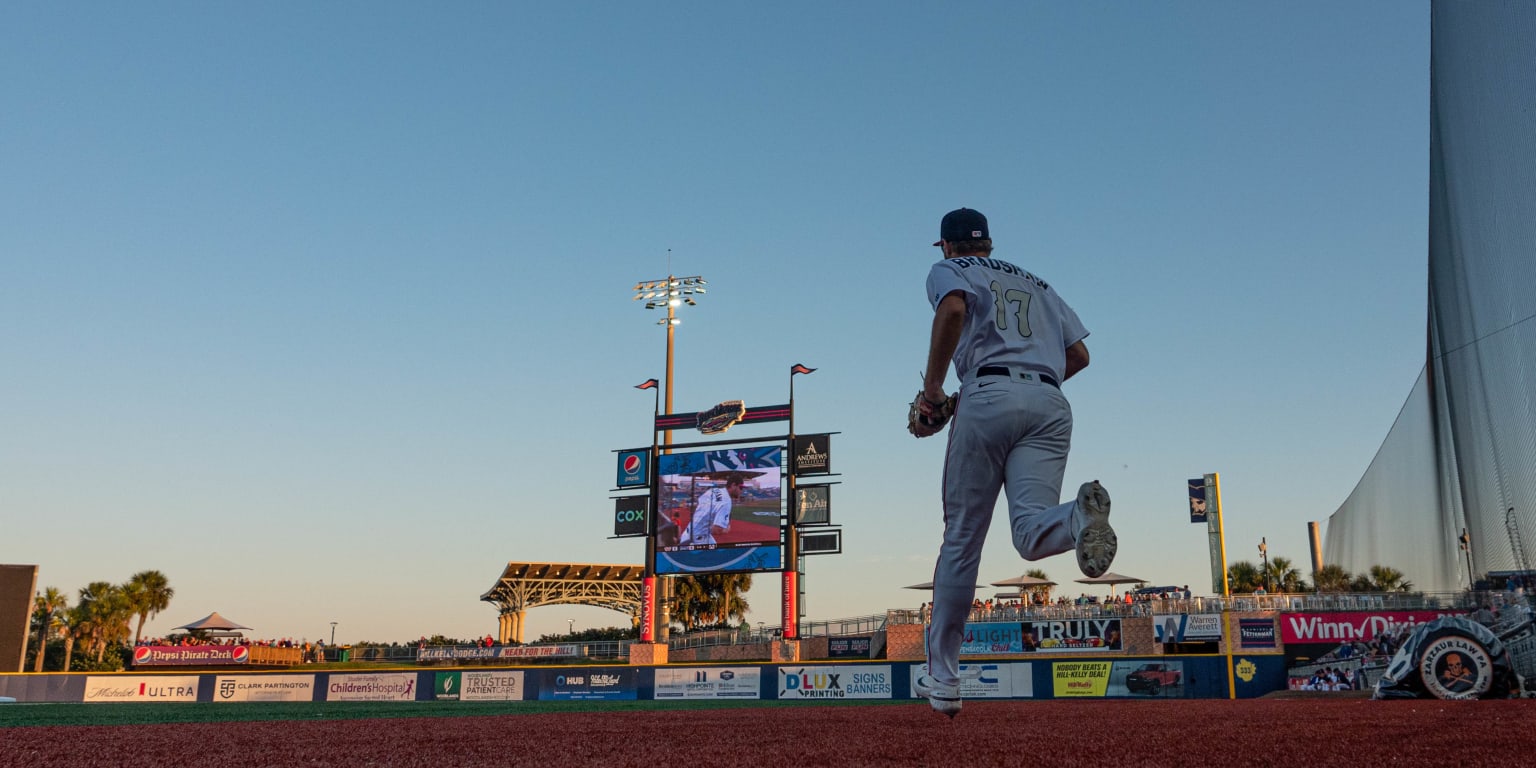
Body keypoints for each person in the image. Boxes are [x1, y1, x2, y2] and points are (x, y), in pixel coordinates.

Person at [910, 207, 1117, 718]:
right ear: (989, 242)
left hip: (986, 390)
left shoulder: (950, 270)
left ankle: (944, 676)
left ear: (947, 246)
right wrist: (1030, 382)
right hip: (1049, 399)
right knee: (1028, 532)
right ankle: (1075, 518)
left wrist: (935, 389)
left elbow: (953, 309)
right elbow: (1080, 356)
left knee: (962, 537)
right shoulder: (1038, 283)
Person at [681, 473, 745, 546]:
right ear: (733, 485)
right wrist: (726, 529)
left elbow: (699, 503)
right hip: (697, 541)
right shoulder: (726, 502)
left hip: (688, 533)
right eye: (741, 487)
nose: (741, 491)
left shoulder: (714, 490)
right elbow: (716, 530)